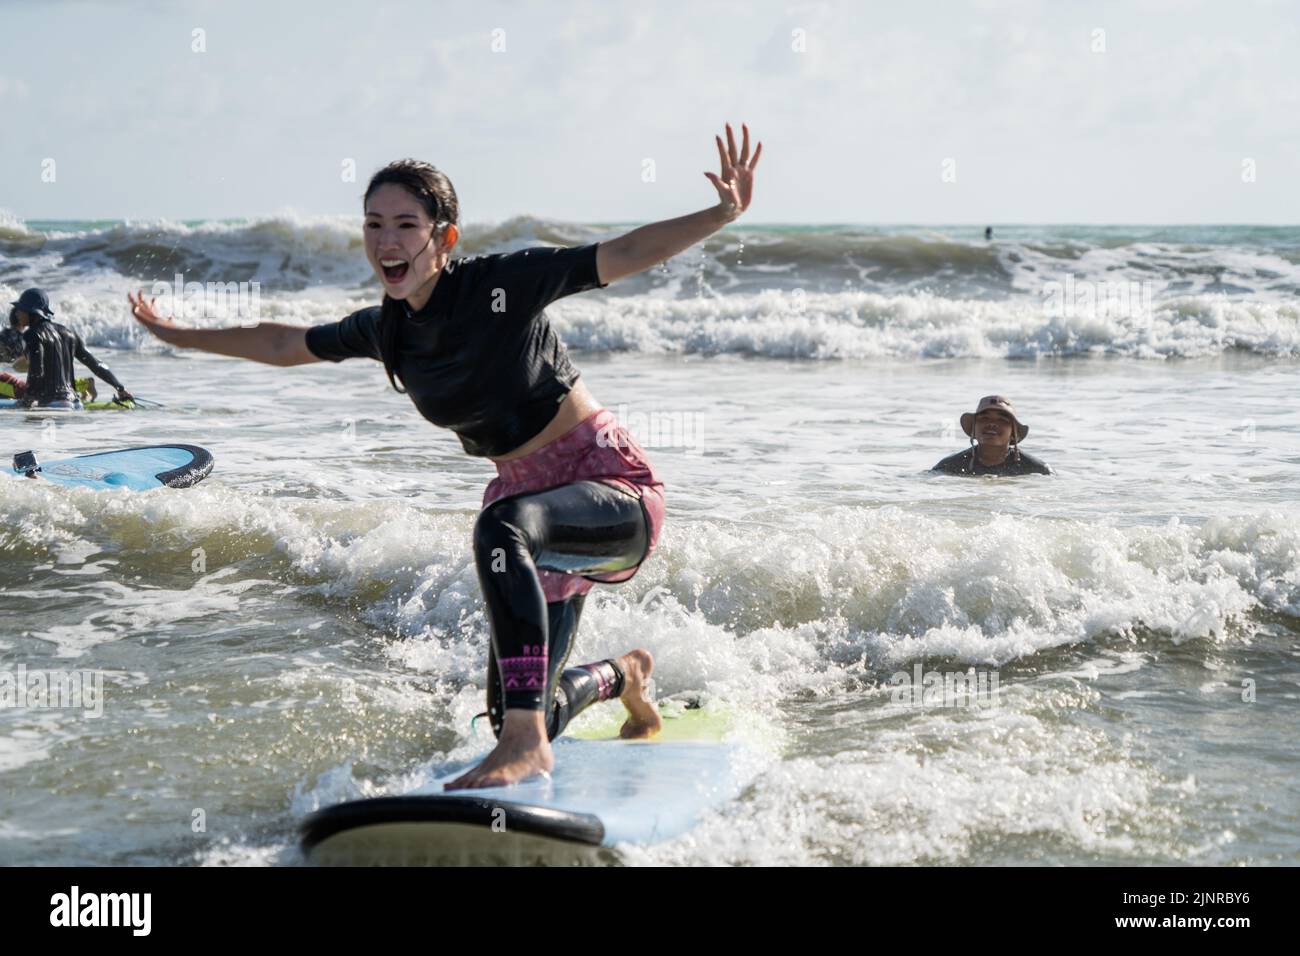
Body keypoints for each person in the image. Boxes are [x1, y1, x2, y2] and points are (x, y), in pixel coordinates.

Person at [130, 123, 763, 790]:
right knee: (521, 706)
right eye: (374, 224)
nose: (387, 240)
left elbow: (623, 252)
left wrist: (722, 212)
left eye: (406, 224)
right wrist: (181, 337)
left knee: (502, 529)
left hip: (610, 493)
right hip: (536, 518)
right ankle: (620, 677)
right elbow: (287, 344)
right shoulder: (390, 329)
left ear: (444, 237)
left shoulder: (501, 285)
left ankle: (526, 746)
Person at [8, 290, 132, 408]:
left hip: (50, 406)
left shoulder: (31, 335)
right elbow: (95, 364)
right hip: (74, 404)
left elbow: (36, 372)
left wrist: (25, 402)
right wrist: (120, 388)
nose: (17, 313)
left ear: (32, 312)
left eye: (21, 309)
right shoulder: (69, 334)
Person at [932, 395, 1052, 476]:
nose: (992, 424)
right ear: (973, 428)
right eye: (984, 418)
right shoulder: (949, 467)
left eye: (1002, 420)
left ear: (1013, 433)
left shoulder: (1037, 470)